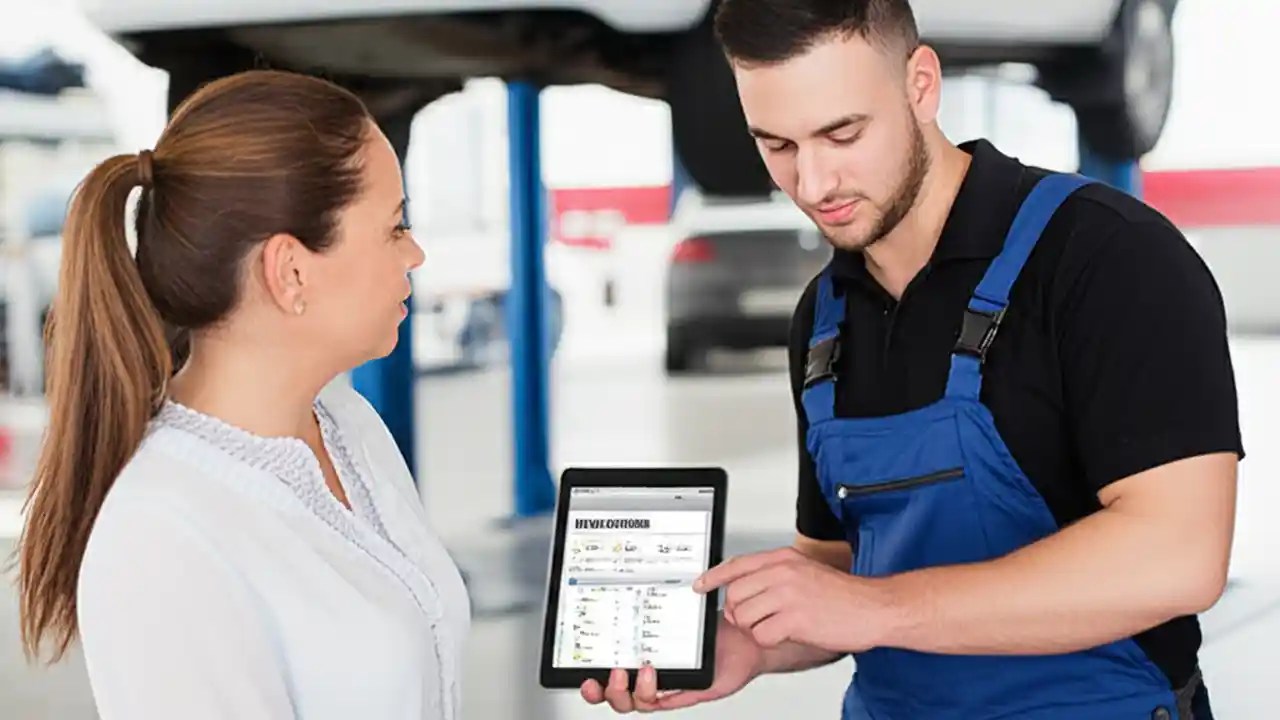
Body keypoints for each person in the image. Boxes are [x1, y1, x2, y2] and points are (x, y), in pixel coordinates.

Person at [583, 1, 1241, 718]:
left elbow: (1178, 556)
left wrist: (876, 608)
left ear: (921, 84)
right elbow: (840, 564)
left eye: (843, 133)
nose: (813, 183)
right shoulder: (825, 318)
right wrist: (753, 644)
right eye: (777, 146)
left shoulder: (1107, 258)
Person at [16, 69, 470, 719]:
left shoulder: (348, 426)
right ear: (289, 273)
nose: (416, 254)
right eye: (394, 227)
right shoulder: (161, 535)